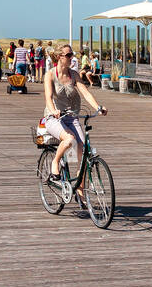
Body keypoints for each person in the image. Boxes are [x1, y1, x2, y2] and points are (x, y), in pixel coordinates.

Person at [42, 45, 107, 188]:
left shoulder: (74, 74)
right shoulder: (50, 75)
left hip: (72, 117)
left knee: (83, 153)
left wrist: (98, 107)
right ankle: (55, 163)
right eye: (69, 55)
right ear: (60, 57)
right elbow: (48, 97)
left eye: (73, 54)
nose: (72, 58)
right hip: (54, 118)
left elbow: (86, 93)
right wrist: (53, 110)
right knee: (69, 139)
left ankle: (80, 190)